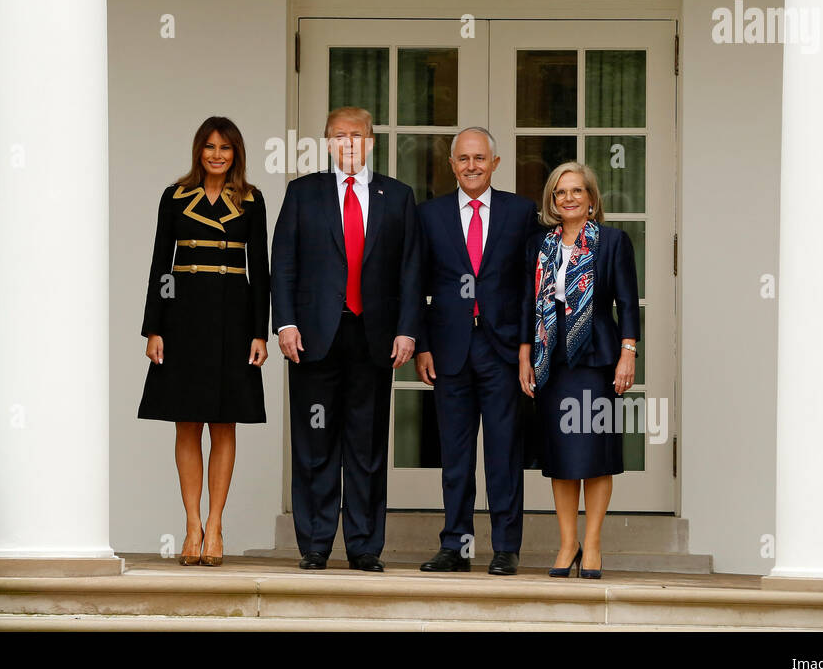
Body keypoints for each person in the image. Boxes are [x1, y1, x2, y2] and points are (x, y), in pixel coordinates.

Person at [271, 106, 421, 572]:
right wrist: (286, 323)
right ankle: (315, 544)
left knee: (367, 445)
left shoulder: (397, 196)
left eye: (356, 135)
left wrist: (408, 328)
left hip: (374, 338)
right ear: (328, 143)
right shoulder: (303, 193)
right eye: (338, 136)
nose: (348, 143)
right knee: (314, 443)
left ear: (371, 142)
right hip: (314, 338)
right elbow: (284, 262)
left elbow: (411, 269)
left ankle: (363, 546)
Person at [140, 116, 269, 567]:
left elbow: (261, 272)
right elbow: (161, 262)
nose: (217, 154)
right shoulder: (174, 197)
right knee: (186, 422)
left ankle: (216, 525)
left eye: (226, 148)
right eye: (210, 146)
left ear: (236, 154)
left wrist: (259, 332)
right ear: (199, 150)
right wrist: (155, 327)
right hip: (183, 316)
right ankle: (191, 525)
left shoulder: (251, 200)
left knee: (225, 422)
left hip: (234, 318)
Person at [415, 128, 541, 575]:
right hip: (449, 350)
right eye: (464, 159)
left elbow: (533, 288)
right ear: (452, 165)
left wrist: (526, 346)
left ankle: (506, 547)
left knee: (505, 453)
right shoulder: (428, 215)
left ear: (495, 162)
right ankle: (457, 546)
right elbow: (415, 284)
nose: (472, 166)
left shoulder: (521, 213)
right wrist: (422, 345)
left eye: (480, 158)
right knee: (455, 455)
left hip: (502, 349)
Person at [520, 161, 639, 579]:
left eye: (577, 191)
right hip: (552, 362)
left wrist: (629, 352)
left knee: (596, 455)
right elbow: (526, 304)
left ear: (591, 199)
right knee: (562, 456)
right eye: (560, 192)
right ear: (553, 201)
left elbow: (627, 302)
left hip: (596, 361)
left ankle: (592, 544)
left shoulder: (611, 242)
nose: (568, 198)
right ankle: (567, 542)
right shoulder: (540, 244)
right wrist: (524, 355)